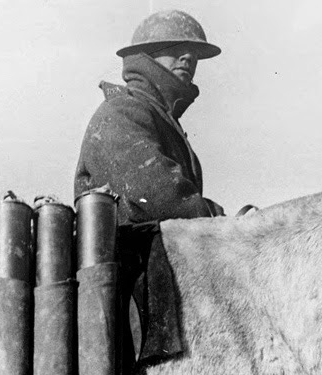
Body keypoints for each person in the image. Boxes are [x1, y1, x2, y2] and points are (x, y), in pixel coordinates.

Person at [74, 10, 225, 223]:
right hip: (130, 244)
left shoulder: (160, 118)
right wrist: (219, 218)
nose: (188, 57)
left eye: (194, 52)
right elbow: (160, 194)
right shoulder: (122, 110)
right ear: (147, 55)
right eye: (174, 48)